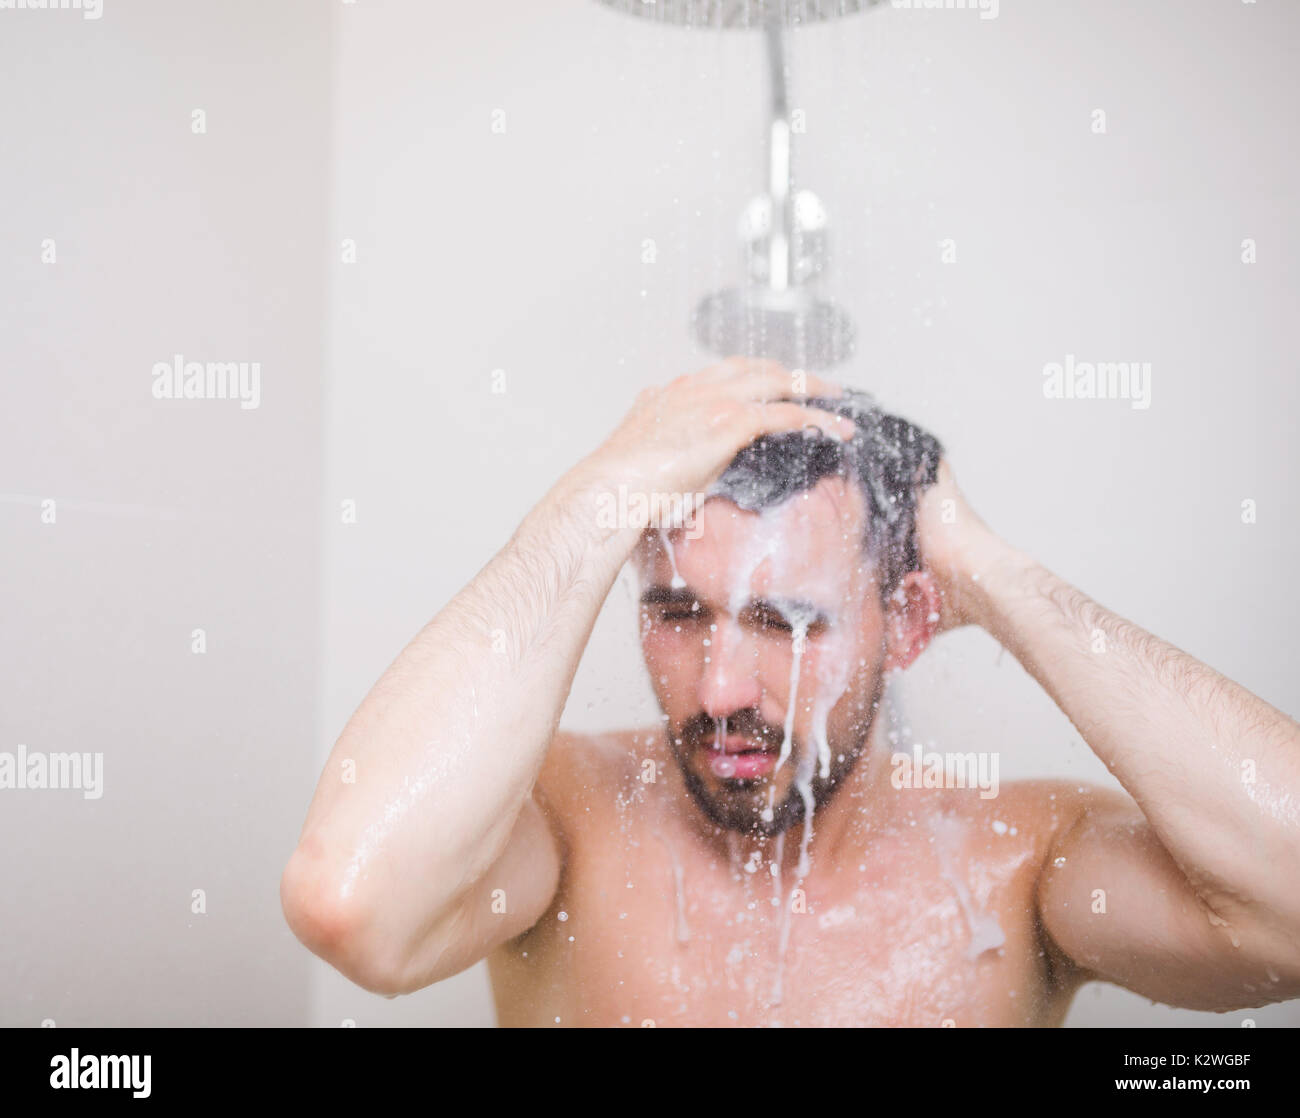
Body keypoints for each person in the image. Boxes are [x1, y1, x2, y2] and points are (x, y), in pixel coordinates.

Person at [281, 358, 1300, 1026]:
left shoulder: (1014, 859)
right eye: (679, 613)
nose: (720, 687)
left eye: (788, 622)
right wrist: (597, 495)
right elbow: (352, 904)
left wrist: (990, 573)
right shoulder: (566, 820)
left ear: (904, 623)